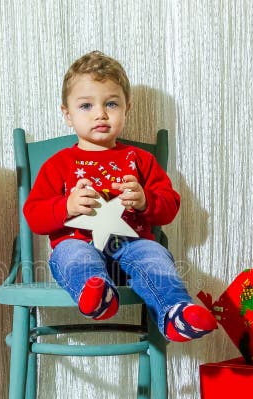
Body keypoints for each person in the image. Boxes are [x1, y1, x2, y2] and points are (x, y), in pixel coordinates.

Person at [23, 51, 217, 342]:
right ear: (67, 114)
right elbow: (34, 216)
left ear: (127, 109)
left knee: (155, 256)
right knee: (70, 255)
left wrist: (145, 200)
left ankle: (174, 311)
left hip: (133, 246)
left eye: (111, 103)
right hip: (79, 244)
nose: (100, 113)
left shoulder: (139, 160)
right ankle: (97, 293)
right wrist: (67, 206)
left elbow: (169, 206)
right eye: (86, 105)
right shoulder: (59, 164)